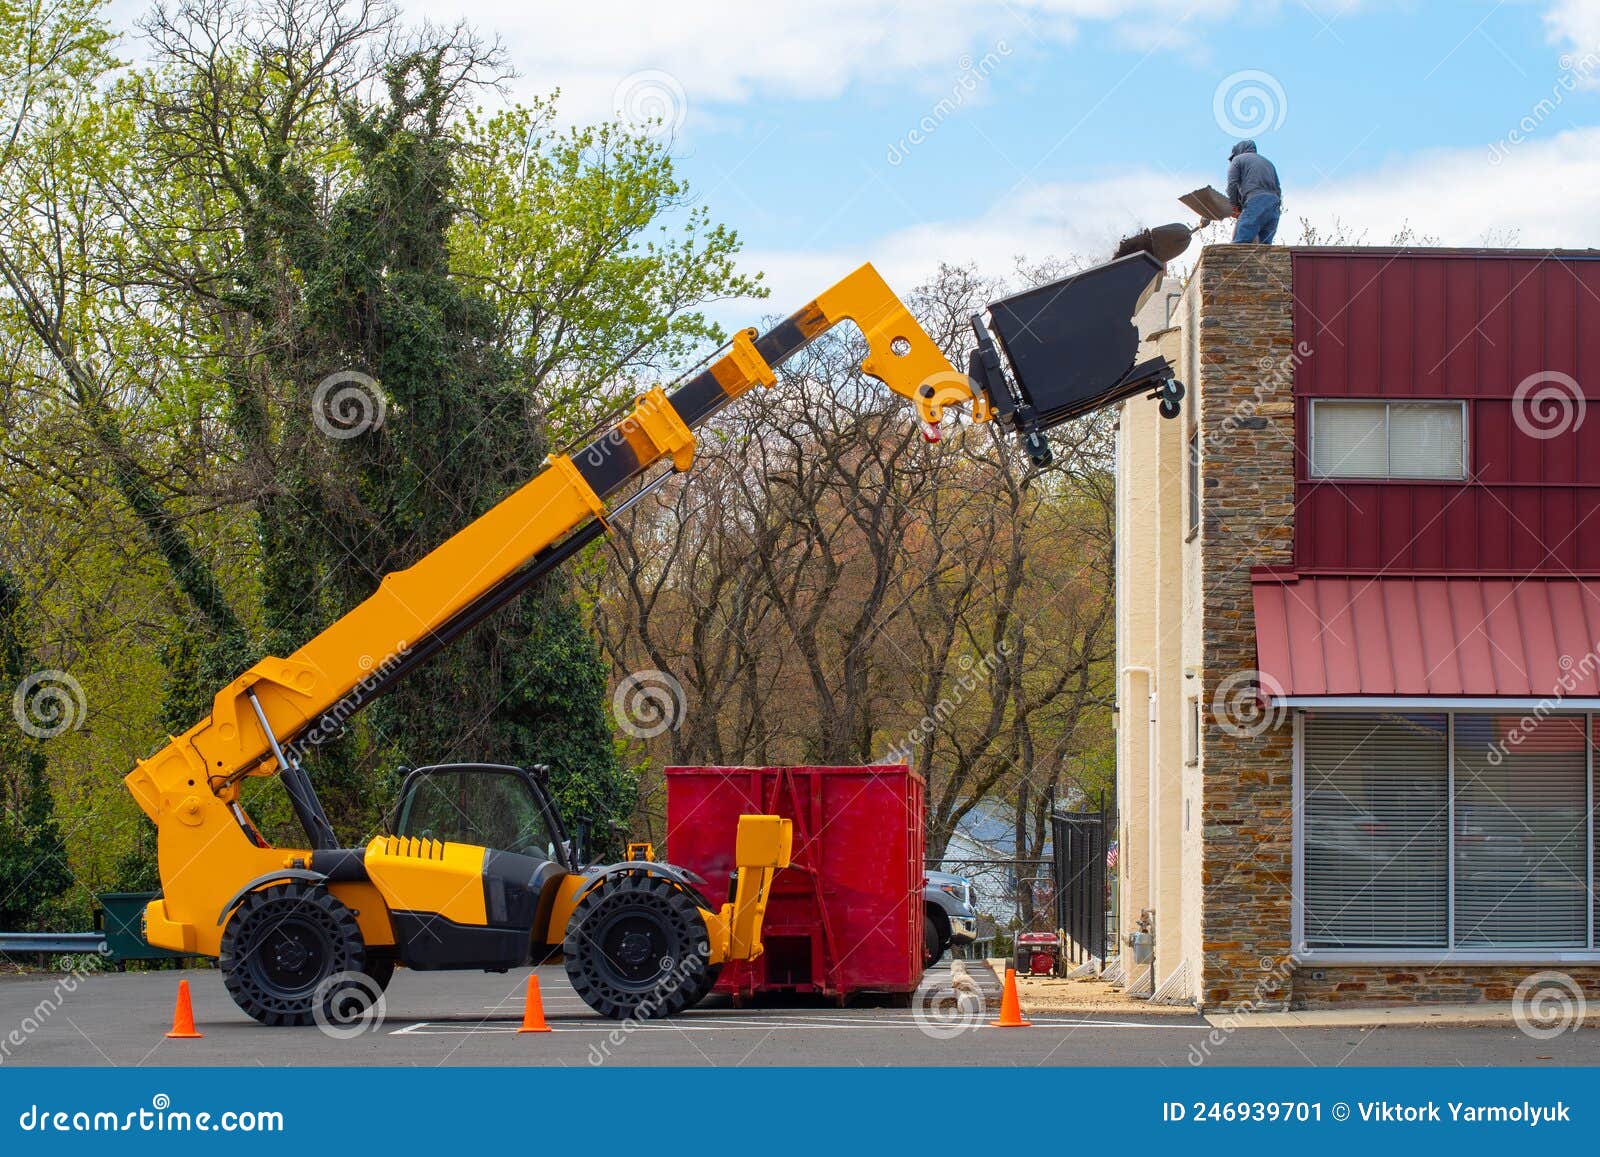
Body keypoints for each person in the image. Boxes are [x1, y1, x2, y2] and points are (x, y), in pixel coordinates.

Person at [1226, 139, 1281, 244]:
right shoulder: (1269, 163)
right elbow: (1278, 189)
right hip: (1274, 206)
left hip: (1255, 201)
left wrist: (1233, 206)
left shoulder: (1237, 160)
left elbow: (1232, 184)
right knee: (1264, 249)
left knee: (1240, 244)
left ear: (1238, 151)